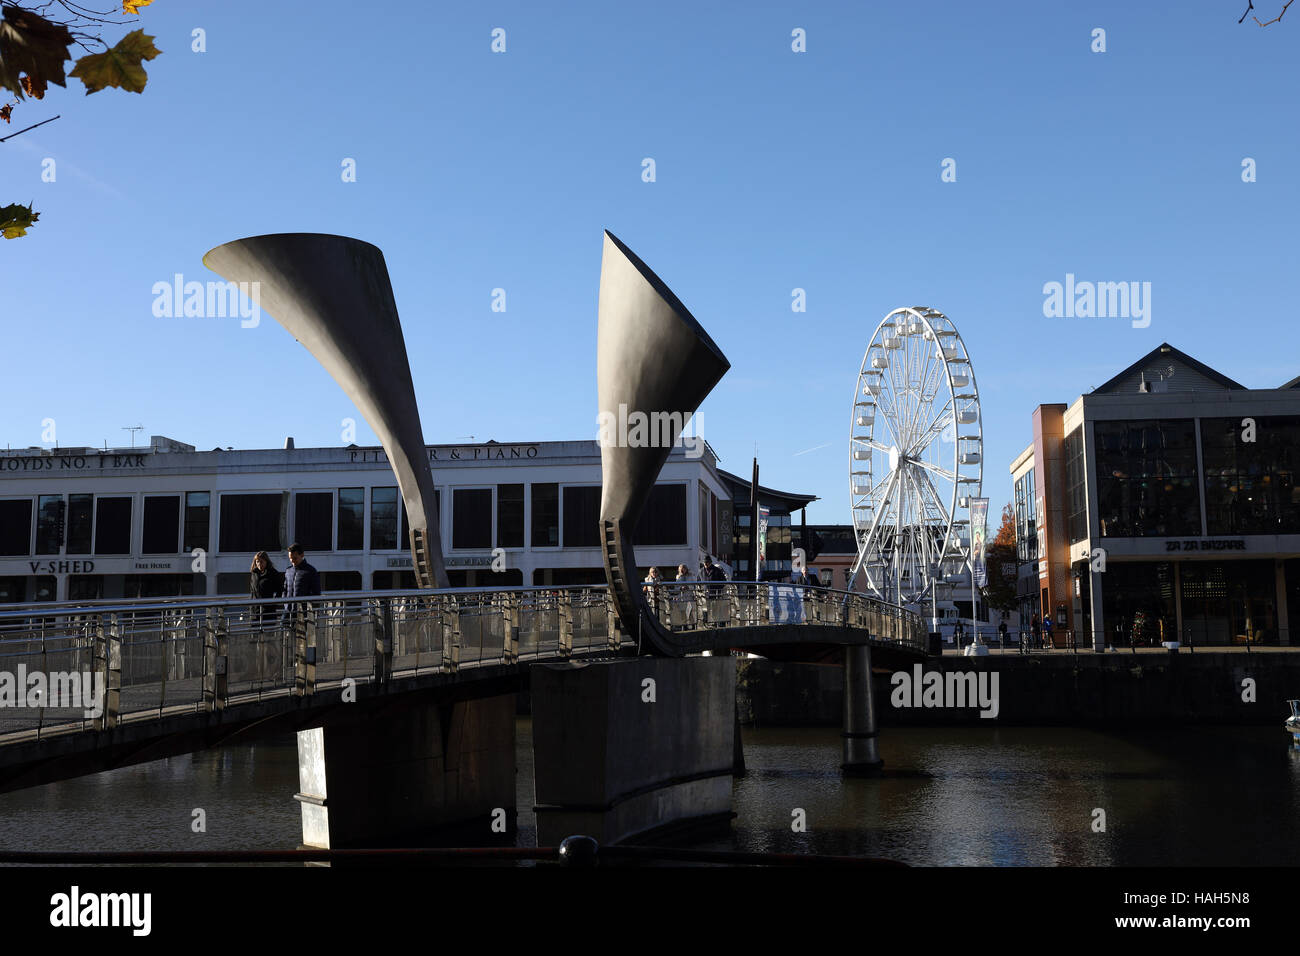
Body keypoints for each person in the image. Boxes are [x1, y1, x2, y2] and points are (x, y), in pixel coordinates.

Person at [283, 542, 321, 624]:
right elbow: (285, 590)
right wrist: (286, 605)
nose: (292, 561)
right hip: (289, 611)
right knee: (283, 630)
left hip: (304, 613)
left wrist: (308, 609)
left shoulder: (311, 571)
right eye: (290, 558)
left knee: (302, 635)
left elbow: (316, 593)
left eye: (295, 558)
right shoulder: (288, 571)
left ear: (302, 555)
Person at [249, 550, 284, 624]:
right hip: (255, 612)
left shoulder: (273, 573)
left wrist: (273, 604)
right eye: (257, 561)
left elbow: (280, 591)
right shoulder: (254, 573)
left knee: (269, 633)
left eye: (261, 561)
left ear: (266, 561)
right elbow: (252, 591)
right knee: (255, 633)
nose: (259, 564)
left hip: (268, 611)